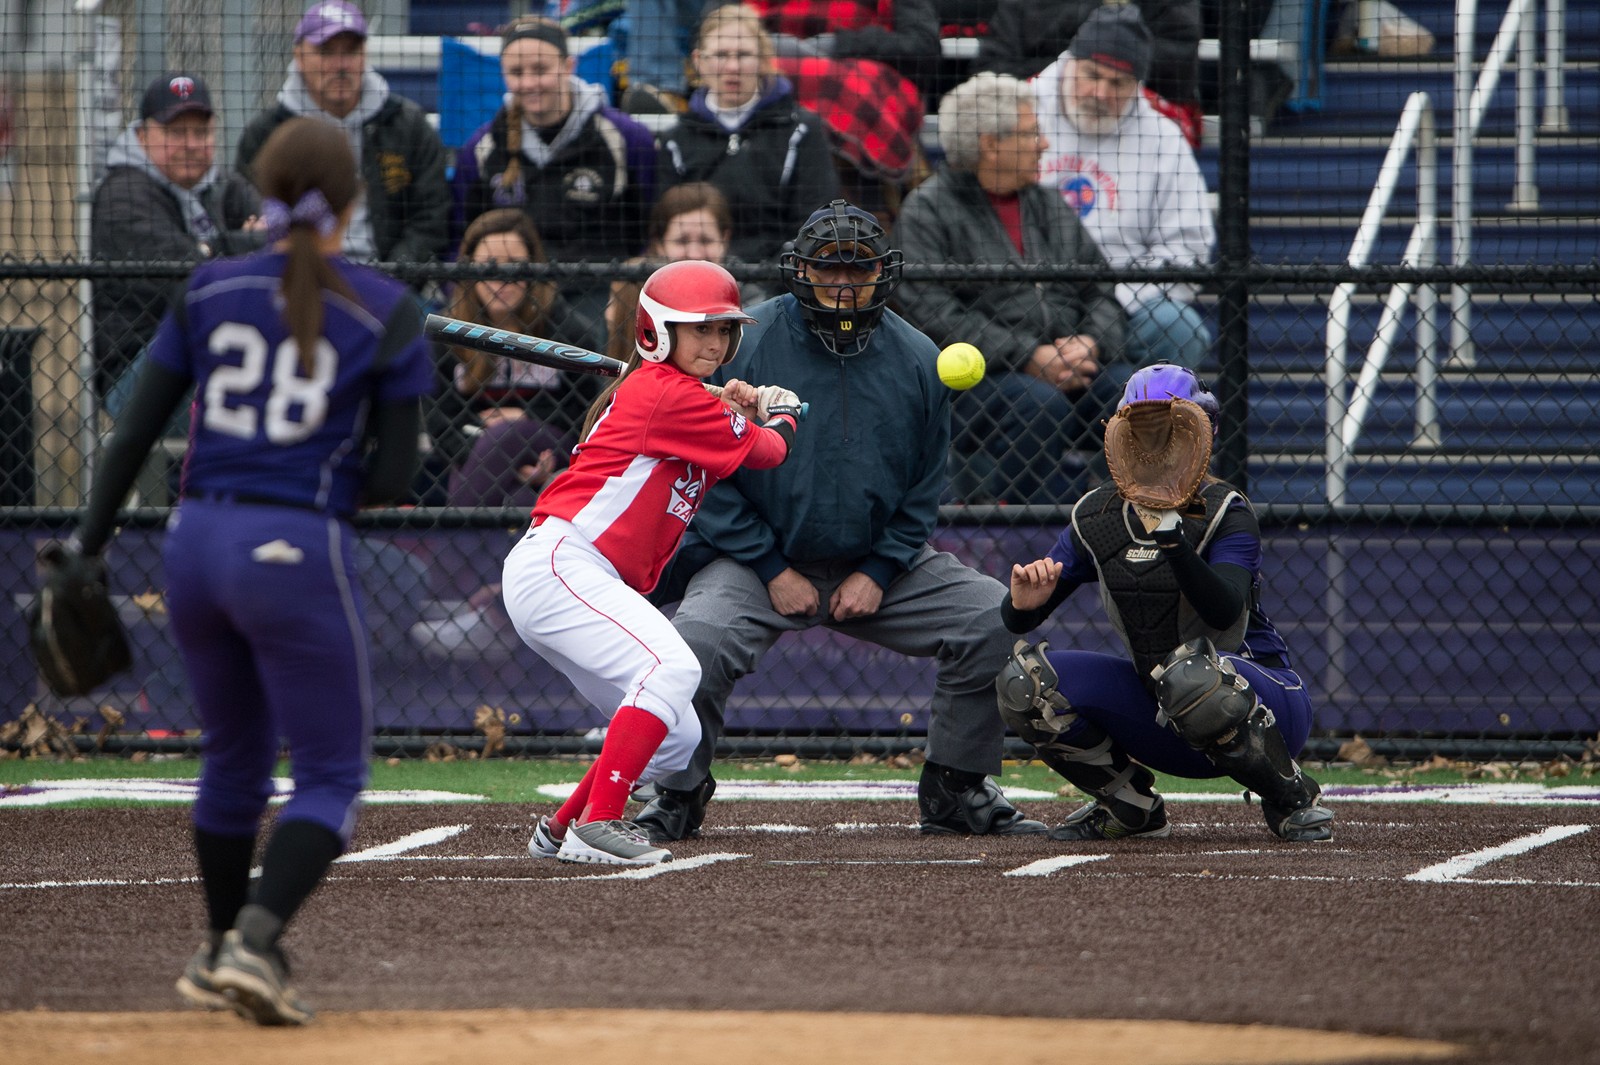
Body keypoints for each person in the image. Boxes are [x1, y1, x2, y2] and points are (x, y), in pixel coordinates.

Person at [70, 117, 432, 1024]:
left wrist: (86, 546)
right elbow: (390, 478)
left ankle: (223, 949)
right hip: (294, 544)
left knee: (232, 759)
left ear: (256, 191)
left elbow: (131, 436)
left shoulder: (208, 284)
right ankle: (256, 937)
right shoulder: (385, 305)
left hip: (192, 539)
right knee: (330, 774)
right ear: (351, 203)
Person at [633, 200, 1049, 844]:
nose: (844, 284)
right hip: (754, 562)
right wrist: (771, 569)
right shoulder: (748, 343)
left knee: (991, 616)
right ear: (800, 271)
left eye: (859, 269)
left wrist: (880, 570)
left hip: (878, 565)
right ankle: (677, 792)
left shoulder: (919, 358)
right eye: (828, 270)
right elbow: (702, 473)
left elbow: (922, 488)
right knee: (696, 642)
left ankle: (956, 788)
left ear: (885, 273)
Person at [502, 259, 804, 866]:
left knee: (675, 735)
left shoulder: (676, 396)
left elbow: (722, 434)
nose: (715, 343)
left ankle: (563, 826)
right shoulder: (669, 395)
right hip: (565, 563)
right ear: (658, 332)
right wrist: (786, 411)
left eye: (723, 331)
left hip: (578, 576)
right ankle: (601, 823)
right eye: (699, 330)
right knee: (674, 667)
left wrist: (737, 409)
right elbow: (770, 452)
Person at [996, 363, 1334, 843]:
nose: (1156, 446)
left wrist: (1175, 541)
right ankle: (1129, 805)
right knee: (1023, 681)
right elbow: (1018, 619)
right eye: (1142, 431)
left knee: (1190, 672)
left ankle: (1290, 795)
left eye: (1172, 431)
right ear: (1119, 436)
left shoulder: (1225, 510)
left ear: (1204, 432)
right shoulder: (1097, 515)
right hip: (1162, 709)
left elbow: (1223, 610)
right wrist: (1022, 605)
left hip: (1265, 703)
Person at [892, 72, 1126, 504]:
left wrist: (1090, 343)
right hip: (980, 381)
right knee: (1037, 406)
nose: (1044, 144)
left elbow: (1101, 290)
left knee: (1138, 394)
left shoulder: (1049, 203)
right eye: (1031, 132)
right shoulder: (928, 210)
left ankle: (1127, 518)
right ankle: (1016, 525)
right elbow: (933, 314)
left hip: (1073, 362)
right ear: (990, 145)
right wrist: (1027, 355)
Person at [1033, 4, 1216, 371]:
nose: (1100, 92)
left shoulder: (1163, 137)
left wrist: (1109, 310)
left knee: (1180, 329)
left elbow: (1189, 250)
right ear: (1070, 63)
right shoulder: (1023, 110)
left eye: (1117, 83)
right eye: (1092, 75)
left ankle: (1150, 426)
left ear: (1137, 86)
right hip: (1028, 294)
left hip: (1127, 302)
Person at [452, 15, 658, 341]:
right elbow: (463, 235)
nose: (530, 83)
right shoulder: (482, 148)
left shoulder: (628, 139)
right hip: (512, 296)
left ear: (568, 65)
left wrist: (628, 294)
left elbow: (651, 229)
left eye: (540, 69)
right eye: (517, 73)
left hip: (600, 292)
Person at [236, 0, 451, 269]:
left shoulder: (408, 126)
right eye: (326, 52)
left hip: (389, 281)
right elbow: (249, 215)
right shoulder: (267, 132)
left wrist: (389, 282)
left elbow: (431, 218)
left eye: (350, 51)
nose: (340, 65)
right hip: (290, 278)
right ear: (299, 57)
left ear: (365, 55)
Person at [91, 72, 261, 402]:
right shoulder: (122, 194)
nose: (191, 144)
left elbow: (280, 236)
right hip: (138, 369)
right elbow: (189, 284)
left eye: (201, 132)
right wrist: (241, 246)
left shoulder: (222, 185)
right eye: (176, 132)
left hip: (215, 342)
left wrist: (212, 251)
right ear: (142, 136)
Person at [432, 208, 599, 510]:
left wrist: (526, 422)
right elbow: (441, 425)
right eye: (489, 266)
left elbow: (586, 415)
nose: (501, 279)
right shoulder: (449, 335)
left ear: (534, 269)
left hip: (553, 449)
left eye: (514, 266)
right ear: (469, 270)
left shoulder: (568, 332)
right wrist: (492, 447)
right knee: (518, 499)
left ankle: (453, 538)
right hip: (474, 453)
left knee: (510, 434)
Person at [657, 4, 841, 263]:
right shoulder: (674, 140)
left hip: (780, 279)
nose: (733, 66)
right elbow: (665, 229)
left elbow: (815, 221)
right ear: (698, 61)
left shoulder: (801, 130)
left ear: (764, 60)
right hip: (699, 274)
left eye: (743, 54)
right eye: (721, 54)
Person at [729, 0, 941, 216]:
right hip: (764, 64)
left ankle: (865, 223)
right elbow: (711, 32)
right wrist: (764, 45)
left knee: (847, 90)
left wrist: (841, 44)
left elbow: (922, 47)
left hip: (860, 72)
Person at [976, 0, 1203, 145]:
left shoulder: (1167, 143)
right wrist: (1075, 63)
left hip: (1137, 129)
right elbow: (991, 68)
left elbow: (1177, 61)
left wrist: (1108, 59)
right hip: (1039, 122)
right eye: (1093, 75)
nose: (1099, 92)